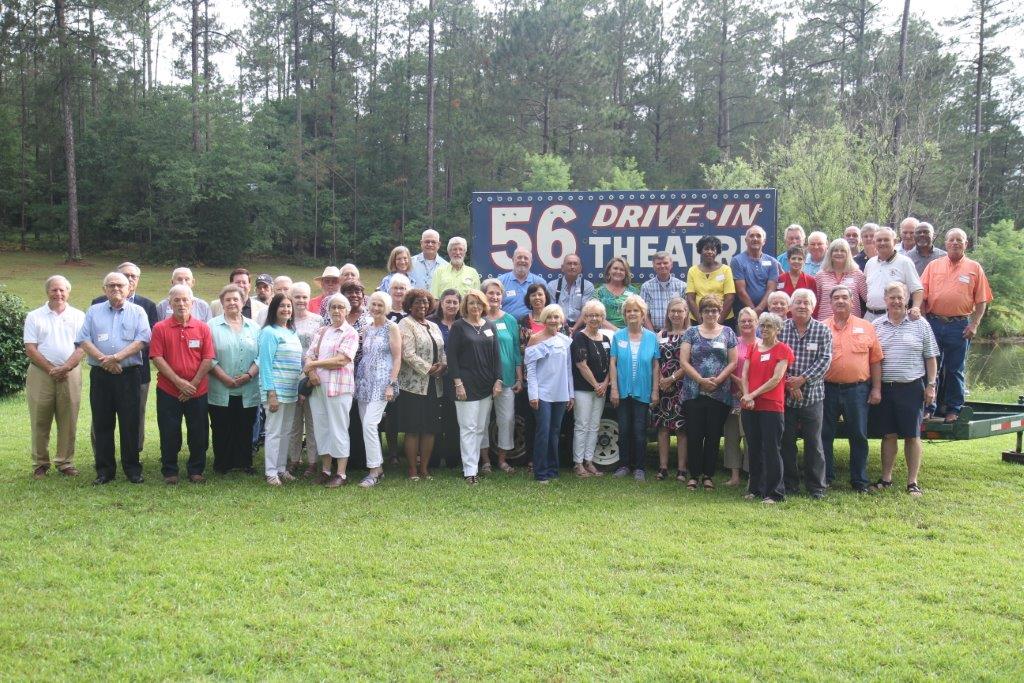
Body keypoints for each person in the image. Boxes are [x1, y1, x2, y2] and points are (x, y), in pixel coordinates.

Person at [77, 272, 152, 484]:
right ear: (104, 289)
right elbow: (83, 339)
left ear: (129, 288)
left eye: (120, 285)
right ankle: (104, 471)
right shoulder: (93, 311)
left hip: (128, 375)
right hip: (101, 375)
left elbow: (143, 339)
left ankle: (132, 469)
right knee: (102, 422)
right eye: (111, 285)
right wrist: (105, 360)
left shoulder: (138, 311)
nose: (116, 289)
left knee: (130, 423)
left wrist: (117, 358)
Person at [869, 282, 939, 497]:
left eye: (900, 297)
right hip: (886, 388)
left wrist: (931, 385)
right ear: (885, 299)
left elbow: (931, 356)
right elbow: (874, 361)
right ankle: (886, 478)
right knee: (888, 435)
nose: (896, 301)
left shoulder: (921, 324)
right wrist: (876, 388)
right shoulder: (877, 325)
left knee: (912, 436)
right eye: (892, 297)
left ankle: (912, 482)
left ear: (907, 298)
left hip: (912, 387)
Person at [920, 228, 992, 423]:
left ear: (966, 244)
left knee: (955, 369)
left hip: (959, 325)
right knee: (931, 367)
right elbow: (921, 296)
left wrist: (975, 325)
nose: (954, 243)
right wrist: (924, 322)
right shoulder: (933, 266)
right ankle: (929, 407)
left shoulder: (974, 268)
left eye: (959, 240)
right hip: (933, 323)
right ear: (946, 243)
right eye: (951, 240)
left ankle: (953, 409)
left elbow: (982, 300)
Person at [149, 284, 215, 484]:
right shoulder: (160, 328)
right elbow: (157, 357)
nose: (181, 303)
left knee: (198, 432)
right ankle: (170, 471)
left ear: (192, 303)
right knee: (169, 431)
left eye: (185, 299)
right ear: (170, 303)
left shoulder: (203, 328)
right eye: (176, 300)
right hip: (169, 390)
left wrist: (192, 384)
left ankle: (196, 470)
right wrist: (179, 383)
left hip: (198, 390)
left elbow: (208, 358)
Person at [92, 262, 159, 453]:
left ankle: (133, 455)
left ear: (135, 282)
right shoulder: (97, 304)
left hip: (135, 372)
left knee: (134, 416)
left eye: (133, 276)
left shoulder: (147, 306)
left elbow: (147, 341)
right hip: (103, 370)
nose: (128, 279)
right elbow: (90, 339)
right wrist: (108, 362)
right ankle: (102, 456)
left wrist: (118, 359)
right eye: (124, 276)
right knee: (102, 416)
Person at [822, 285, 883, 492]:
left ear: (852, 302)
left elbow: (875, 360)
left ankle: (859, 481)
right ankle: (826, 478)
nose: (840, 301)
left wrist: (876, 389)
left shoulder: (866, 326)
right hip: (826, 389)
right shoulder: (821, 327)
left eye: (844, 298)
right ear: (830, 303)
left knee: (858, 435)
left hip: (857, 390)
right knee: (825, 434)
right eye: (836, 298)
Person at [23, 275, 85, 478]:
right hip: (41, 373)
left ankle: (65, 462)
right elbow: (30, 348)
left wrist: (65, 367)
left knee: (69, 418)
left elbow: (83, 346)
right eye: (54, 290)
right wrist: (51, 368)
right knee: (40, 418)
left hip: (71, 372)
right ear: (47, 292)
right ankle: (40, 463)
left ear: (68, 292)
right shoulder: (34, 316)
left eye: (62, 290)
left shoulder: (78, 315)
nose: (58, 294)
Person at [679, 294, 737, 490]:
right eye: (706, 310)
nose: (711, 314)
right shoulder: (691, 333)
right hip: (693, 392)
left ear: (720, 312)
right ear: (700, 313)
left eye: (714, 310)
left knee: (713, 436)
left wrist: (718, 380)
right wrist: (700, 380)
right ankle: (694, 475)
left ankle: (708, 476)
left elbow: (733, 362)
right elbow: (684, 361)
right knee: (694, 435)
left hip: (719, 394)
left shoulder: (728, 332)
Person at [779, 288, 832, 499]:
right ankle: (790, 484)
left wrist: (802, 380)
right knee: (786, 441)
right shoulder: (781, 329)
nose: (802, 306)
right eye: (798, 302)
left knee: (814, 443)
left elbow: (825, 360)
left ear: (813, 307)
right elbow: (774, 358)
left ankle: (816, 487)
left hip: (813, 396)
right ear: (790, 307)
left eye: (806, 303)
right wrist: (789, 384)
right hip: (785, 395)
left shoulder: (822, 331)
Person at [304, 294, 359, 488]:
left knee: (338, 429)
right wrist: (311, 374)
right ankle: (326, 470)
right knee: (322, 428)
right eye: (333, 307)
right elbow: (309, 354)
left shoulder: (350, 333)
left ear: (347, 310)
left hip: (339, 389)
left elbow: (341, 360)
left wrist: (314, 364)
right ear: (328, 310)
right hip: (318, 388)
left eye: (340, 307)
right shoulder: (321, 331)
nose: (336, 311)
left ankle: (341, 474)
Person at [448, 289, 502, 484]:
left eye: (479, 303)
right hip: (466, 385)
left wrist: (498, 380)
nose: (475, 307)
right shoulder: (459, 327)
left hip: (486, 385)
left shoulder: (489, 325)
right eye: (471, 303)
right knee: (468, 428)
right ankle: (470, 470)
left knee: (480, 428)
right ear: (465, 306)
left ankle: (474, 464)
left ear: (484, 305)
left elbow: (497, 355)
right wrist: (458, 383)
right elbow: (452, 357)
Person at [739, 312, 793, 504]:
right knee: (753, 448)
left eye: (769, 326)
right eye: (762, 325)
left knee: (771, 448)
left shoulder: (783, 350)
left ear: (778, 329)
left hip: (771, 406)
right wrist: (746, 395)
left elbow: (776, 379)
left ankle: (775, 492)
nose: (765, 329)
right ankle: (756, 488)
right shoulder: (753, 347)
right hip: (750, 405)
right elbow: (744, 374)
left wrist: (752, 395)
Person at [207, 285, 261, 474]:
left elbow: (261, 357)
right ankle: (223, 463)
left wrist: (249, 375)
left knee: (245, 426)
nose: (232, 303)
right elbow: (208, 356)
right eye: (228, 300)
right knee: (222, 426)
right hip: (220, 387)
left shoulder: (254, 327)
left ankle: (244, 462)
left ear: (243, 302)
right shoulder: (211, 326)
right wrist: (224, 378)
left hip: (248, 386)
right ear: (221, 303)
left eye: (235, 299)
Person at [396, 289, 447, 480]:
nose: (422, 306)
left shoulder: (433, 325)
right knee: (413, 429)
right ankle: (412, 469)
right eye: (418, 302)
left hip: (434, 385)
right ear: (410, 304)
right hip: (413, 386)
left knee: (430, 428)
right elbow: (407, 353)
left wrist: (443, 365)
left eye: (426, 302)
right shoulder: (405, 324)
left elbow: (442, 349)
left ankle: (424, 468)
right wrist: (428, 368)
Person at [609, 295, 660, 481]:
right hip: (622, 391)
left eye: (635, 310)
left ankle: (639, 468)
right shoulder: (618, 336)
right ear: (624, 314)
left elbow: (656, 365)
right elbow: (612, 363)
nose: (632, 313)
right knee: (623, 430)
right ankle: (623, 465)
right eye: (628, 310)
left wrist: (655, 391)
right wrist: (614, 388)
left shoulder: (652, 337)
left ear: (642, 314)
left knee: (640, 431)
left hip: (643, 391)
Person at [354, 291, 401, 488]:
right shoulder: (366, 328)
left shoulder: (392, 327)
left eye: (380, 305)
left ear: (387, 307)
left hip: (383, 382)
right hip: (364, 381)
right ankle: (377, 468)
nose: (376, 308)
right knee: (366, 425)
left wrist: (391, 383)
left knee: (370, 425)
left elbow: (397, 357)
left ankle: (374, 471)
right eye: (373, 304)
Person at [525, 304, 575, 483]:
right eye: (550, 317)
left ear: (561, 320)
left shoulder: (565, 340)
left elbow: (568, 368)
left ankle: (553, 469)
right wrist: (533, 394)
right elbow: (530, 370)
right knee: (543, 431)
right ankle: (540, 472)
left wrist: (571, 394)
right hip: (542, 393)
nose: (553, 320)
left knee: (555, 431)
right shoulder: (535, 339)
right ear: (544, 319)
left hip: (560, 393)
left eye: (557, 317)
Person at [258, 294, 303, 486]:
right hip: (275, 390)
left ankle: (281, 469)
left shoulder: (292, 332)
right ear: (274, 309)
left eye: (289, 306)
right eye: (282, 306)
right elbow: (265, 365)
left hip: (291, 390)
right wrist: (271, 393)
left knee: (286, 431)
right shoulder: (269, 332)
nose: (286, 309)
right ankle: (270, 472)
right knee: (274, 431)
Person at [480, 279, 522, 474]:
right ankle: (486, 460)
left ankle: (503, 460)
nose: (494, 296)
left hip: (506, 378)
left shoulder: (510, 320)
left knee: (507, 419)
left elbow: (515, 350)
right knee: (482, 420)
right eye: (491, 293)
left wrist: (519, 377)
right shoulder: (477, 319)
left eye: (498, 293)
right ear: (483, 295)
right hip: (481, 379)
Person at [570, 300, 610, 478]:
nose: (594, 318)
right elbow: (581, 364)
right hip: (584, 389)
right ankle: (578, 463)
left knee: (594, 426)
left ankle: (589, 461)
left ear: (603, 318)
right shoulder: (579, 337)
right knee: (582, 425)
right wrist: (596, 385)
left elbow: (611, 365)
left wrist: (605, 383)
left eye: (598, 315)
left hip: (601, 390)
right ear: (585, 317)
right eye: (590, 315)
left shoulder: (607, 339)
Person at [652, 297, 689, 481]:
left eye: (679, 311)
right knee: (663, 429)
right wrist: (660, 382)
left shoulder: (691, 334)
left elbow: (689, 363)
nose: (676, 314)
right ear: (668, 313)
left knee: (682, 429)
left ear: (686, 313)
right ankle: (663, 467)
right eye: (672, 311)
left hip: (683, 387)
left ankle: (682, 469)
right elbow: (656, 361)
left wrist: (672, 378)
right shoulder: (660, 335)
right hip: (663, 387)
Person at [286, 282, 322, 476]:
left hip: (311, 376)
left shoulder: (319, 321)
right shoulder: (285, 320)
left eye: (304, 297)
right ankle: (293, 459)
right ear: (291, 298)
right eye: (297, 296)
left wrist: (310, 375)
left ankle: (313, 461)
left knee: (312, 420)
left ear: (309, 298)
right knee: (294, 422)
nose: (300, 300)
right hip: (290, 376)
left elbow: (322, 350)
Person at [724, 307, 758, 487]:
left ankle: (752, 474)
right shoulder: (732, 343)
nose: (746, 324)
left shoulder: (762, 344)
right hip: (732, 395)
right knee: (731, 436)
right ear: (737, 324)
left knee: (750, 437)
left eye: (750, 320)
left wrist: (746, 389)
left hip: (752, 397)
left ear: (756, 323)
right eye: (743, 321)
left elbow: (763, 373)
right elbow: (725, 366)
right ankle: (734, 476)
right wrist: (737, 385)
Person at [427, 288, 460, 468]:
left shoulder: (463, 323)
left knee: (453, 419)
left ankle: (452, 459)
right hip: (435, 376)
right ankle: (433, 458)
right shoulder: (431, 322)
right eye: (448, 301)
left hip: (456, 379)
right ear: (441, 303)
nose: (452, 305)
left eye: (455, 302)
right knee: (435, 418)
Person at [864, 226, 923, 322]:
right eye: (879, 240)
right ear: (874, 243)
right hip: (870, 316)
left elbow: (917, 289)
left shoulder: (905, 262)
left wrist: (916, 308)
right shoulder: (870, 263)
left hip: (895, 316)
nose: (882, 243)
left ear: (895, 242)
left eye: (886, 240)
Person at [731, 225, 781, 320]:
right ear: (746, 240)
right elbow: (741, 291)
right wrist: (753, 312)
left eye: (758, 236)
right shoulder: (737, 261)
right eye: (751, 236)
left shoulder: (772, 262)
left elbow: (771, 289)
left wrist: (759, 309)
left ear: (764, 241)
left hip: (767, 313)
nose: (755, 238)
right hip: (744, 313)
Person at [686, 235, 736, 325]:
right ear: (700, 251)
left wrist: (717, 322)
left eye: (713, 249)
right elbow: (690, 299)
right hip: (697, 319)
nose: (710, 252)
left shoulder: (726, 270)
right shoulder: (692, 270)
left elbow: (730, 298)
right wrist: (702, 322)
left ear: (717, 252)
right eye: (706, 249)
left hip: (724, 319)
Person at [815, 238, 868, 321]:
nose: (839, 253)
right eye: (835, 250)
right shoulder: (820, 275)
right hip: (826, 323)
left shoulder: (857, 274)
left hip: (851, 323)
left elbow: (868, 299)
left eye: (843, 251)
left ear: (848, 254)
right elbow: (814, 302)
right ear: (830, 254)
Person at [589, 257, 639, 329]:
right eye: (615, 268)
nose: (618, 272)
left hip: (629, 332)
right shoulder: (598, 292)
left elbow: (639, 315)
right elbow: (595, 316)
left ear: (626, 273)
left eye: (622, 270)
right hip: (604, 332)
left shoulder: (633, 292)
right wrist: (617, 331)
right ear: (609, 270)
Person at [641, 251, 686, 331]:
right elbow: (644, 313)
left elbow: (686, 313)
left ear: (671, 265)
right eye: (658, 263)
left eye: (665, 263)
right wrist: (653, 336)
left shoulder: (682, 286)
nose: (662, 266)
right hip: (654, 331)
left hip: (677, 332)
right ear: (653, 266)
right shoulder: (646, 287)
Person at [547, 254, 593, 330]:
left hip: (580, 327)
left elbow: (586, 311)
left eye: (575, 264)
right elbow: (553, 310)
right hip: (558, 325)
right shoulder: (552, 286)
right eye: (569, 264)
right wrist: (565, 327)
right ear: (562, 268)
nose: (572, 267)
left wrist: (574, 329)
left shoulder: (587, 286)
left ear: (580, 268)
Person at [498, 248, 546, 319]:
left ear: (531, 262)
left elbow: (547, 307)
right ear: (513, 260)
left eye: (526, 258)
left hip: (532, 326)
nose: (522, 260)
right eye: (519, 257)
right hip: (507, 326)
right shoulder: (501, 282)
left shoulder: (540, 282)